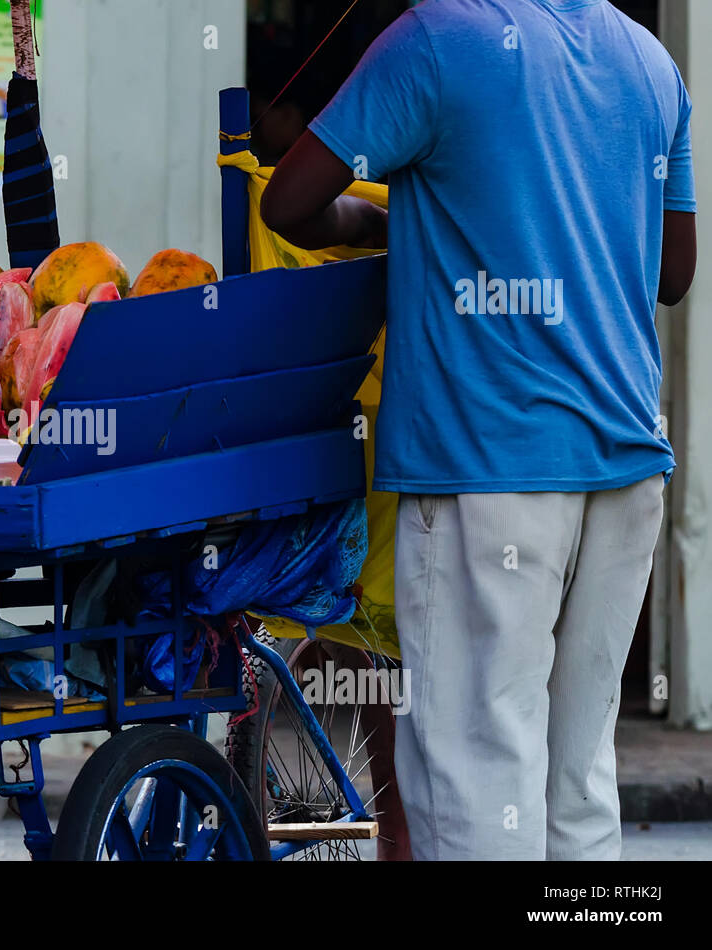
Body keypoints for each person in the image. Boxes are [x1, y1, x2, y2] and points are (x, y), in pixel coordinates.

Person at [261, 0, 697, 860]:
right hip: (627, 468)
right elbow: (675, 272)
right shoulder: (651, 61)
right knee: (578, 785)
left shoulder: (435, 39)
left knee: (473, 780)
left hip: (489, 471)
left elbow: (290, 199)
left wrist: (385, 224)